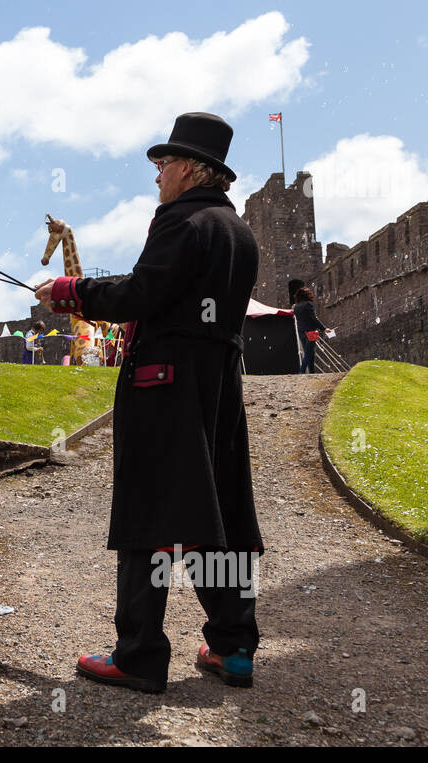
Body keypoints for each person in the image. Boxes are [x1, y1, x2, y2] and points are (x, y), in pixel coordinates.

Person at [35, 112, 262, 694]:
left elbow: (142, 293)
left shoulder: (181, 222)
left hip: (163, 387)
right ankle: (234, 647)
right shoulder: (238, 232)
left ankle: (138, 656)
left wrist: (72, 291)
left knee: (148, 514)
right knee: (218, 516)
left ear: (188, 170)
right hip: (218, 389)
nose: (156, 176)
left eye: (162, 166)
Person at [293, 288, 332, 373]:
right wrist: (324, 329)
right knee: (308, 353)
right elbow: (314, 319)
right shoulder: (309, 305)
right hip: (310, 331)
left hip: (301, 332)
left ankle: (311, 372)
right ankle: (302, 371)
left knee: (310, 352)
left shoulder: (296, 307)